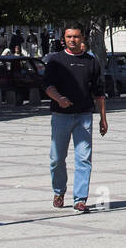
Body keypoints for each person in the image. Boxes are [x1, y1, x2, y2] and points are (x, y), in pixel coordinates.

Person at [43, 23, 108, 213]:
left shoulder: (91, 61)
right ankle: (59, 191)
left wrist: (103, 118)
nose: (73, 40)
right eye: (69, 37)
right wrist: (59, 98)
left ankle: (80, 199)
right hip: (60, 116)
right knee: (56, 158)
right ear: (64, 38)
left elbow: (99, 92)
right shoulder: (56, 60)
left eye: (76, 37)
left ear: (82, 38)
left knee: (83, 159)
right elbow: (47, 85)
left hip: (84, 116)